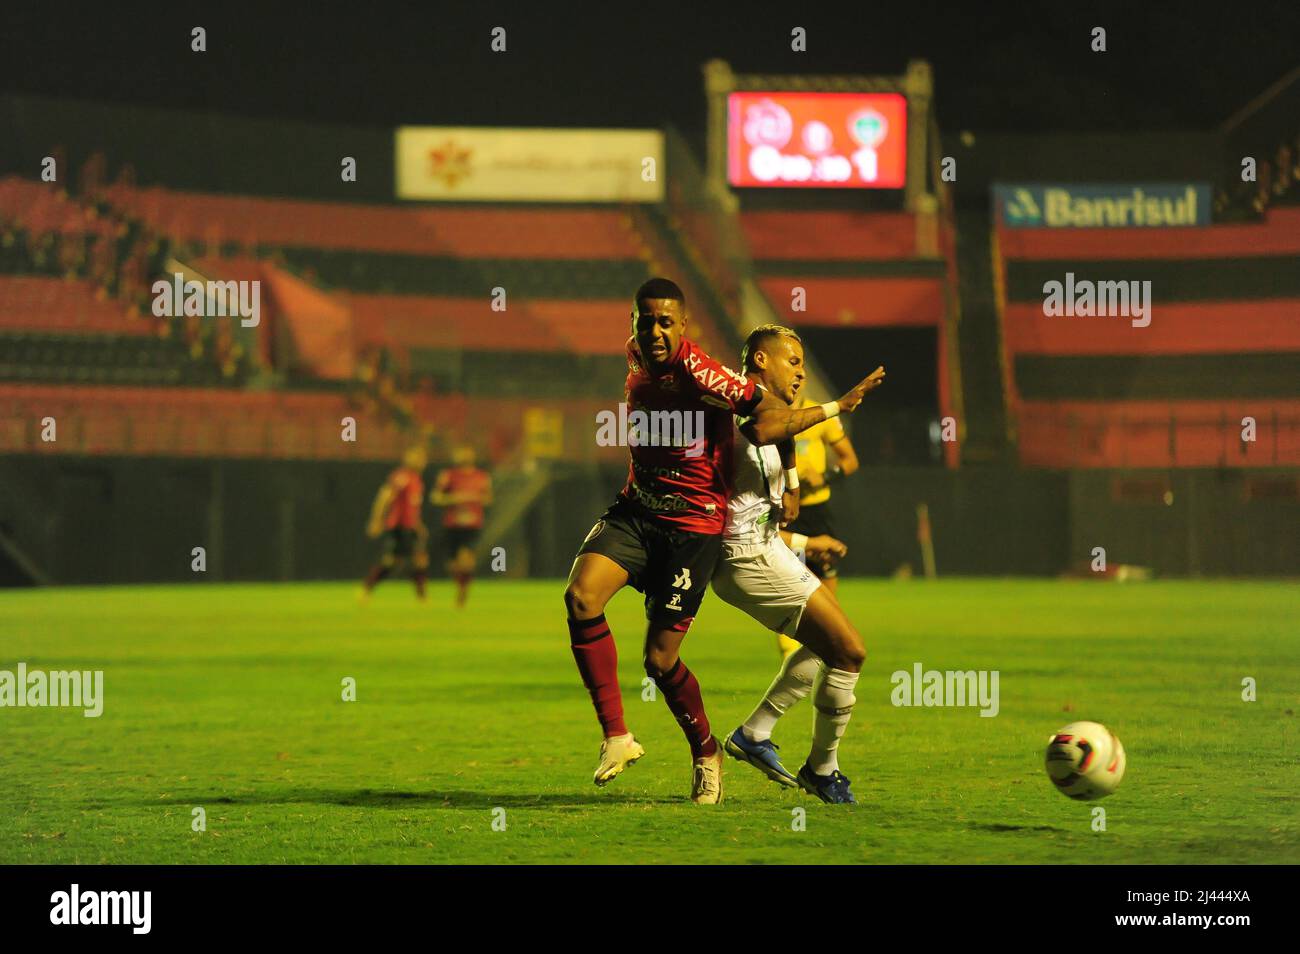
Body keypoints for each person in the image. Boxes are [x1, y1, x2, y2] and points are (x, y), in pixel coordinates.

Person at [563, 278, 883, 803]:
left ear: (683, 326)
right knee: (581, 597)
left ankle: (729, 744)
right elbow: (762, 439)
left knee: (664, 662)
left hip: (704, 535)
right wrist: (835, 409)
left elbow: (771, 467)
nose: (656, 332)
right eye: (648, 322)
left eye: (667, 322)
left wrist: (800, 491)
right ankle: (626, 736)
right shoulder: (675, 372)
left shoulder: (717, 384)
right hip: (675, 525)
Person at [710, 324, 883, 803]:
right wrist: (837, 405)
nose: (801, 373)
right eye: (793, 362)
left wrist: (797, 509)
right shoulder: (733, 395)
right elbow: (765, 427)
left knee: (828, 646)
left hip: (759, 548)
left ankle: (756, 735)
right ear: (760, 361)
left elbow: (777, 437)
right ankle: (822, 771)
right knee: (850, 652)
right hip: (743, 558)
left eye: (804, 366)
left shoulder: (770, 406)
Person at [777, 381, 861, 658]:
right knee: (788, 587)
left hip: (817, 511)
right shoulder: (770, 415)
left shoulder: (820, 415)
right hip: (787, 513)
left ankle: (823, 655)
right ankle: (791, 657)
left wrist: (823, 476)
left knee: (826, 591)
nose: (794, 379)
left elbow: (850, 461)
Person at [361, 446, 430, 602]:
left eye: (422, 458)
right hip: (399, 526)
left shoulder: (416, 480)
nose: (420, 461)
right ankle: (368, 588)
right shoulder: (402, 476)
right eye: (416, 457)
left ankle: (421, 596)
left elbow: (411, 507)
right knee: (404, 560)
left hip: (410, 526)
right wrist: (376, 520)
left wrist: (418, 525)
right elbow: (385, 497)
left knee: (409, 559)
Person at [430, 445, 493, 608]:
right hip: (452, 524)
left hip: (472, 525)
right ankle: (461, 585)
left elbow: (488, 499)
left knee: (466, 560)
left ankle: (463, 592)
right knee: (452, 565)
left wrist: (475, 498)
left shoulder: (481, 477)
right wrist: (455, 499)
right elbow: (435, 497)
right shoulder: (448, 475)